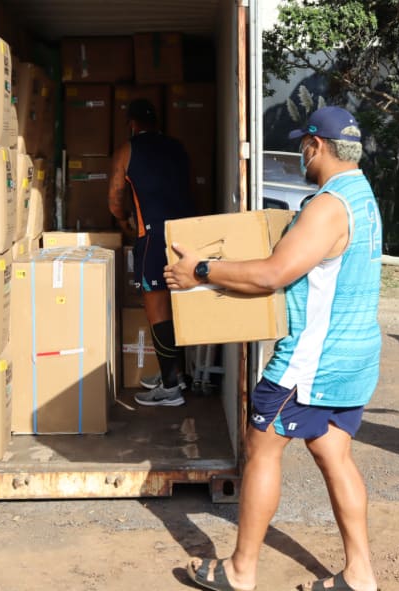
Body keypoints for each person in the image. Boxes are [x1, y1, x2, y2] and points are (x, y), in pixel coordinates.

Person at [164, 106, 381, 591]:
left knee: (262, 446)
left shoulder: (327, 206)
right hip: (354, 357)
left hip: (311, 362)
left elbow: (272, 274)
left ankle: (241, 570)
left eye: (303, 146)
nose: (301, 155)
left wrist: (201, 270)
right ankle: (361, 574)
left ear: (316, 145)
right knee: (333, 453)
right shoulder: (362, 194)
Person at [108, 99, 196, 407]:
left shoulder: (127, 150)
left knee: (157, 309)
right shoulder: (178, 147)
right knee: (179, 307)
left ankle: (170, 388)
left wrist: (123, 221)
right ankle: (175, 373)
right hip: (187, 235)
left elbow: (115, 198)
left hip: (154, 236)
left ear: (132, 123)